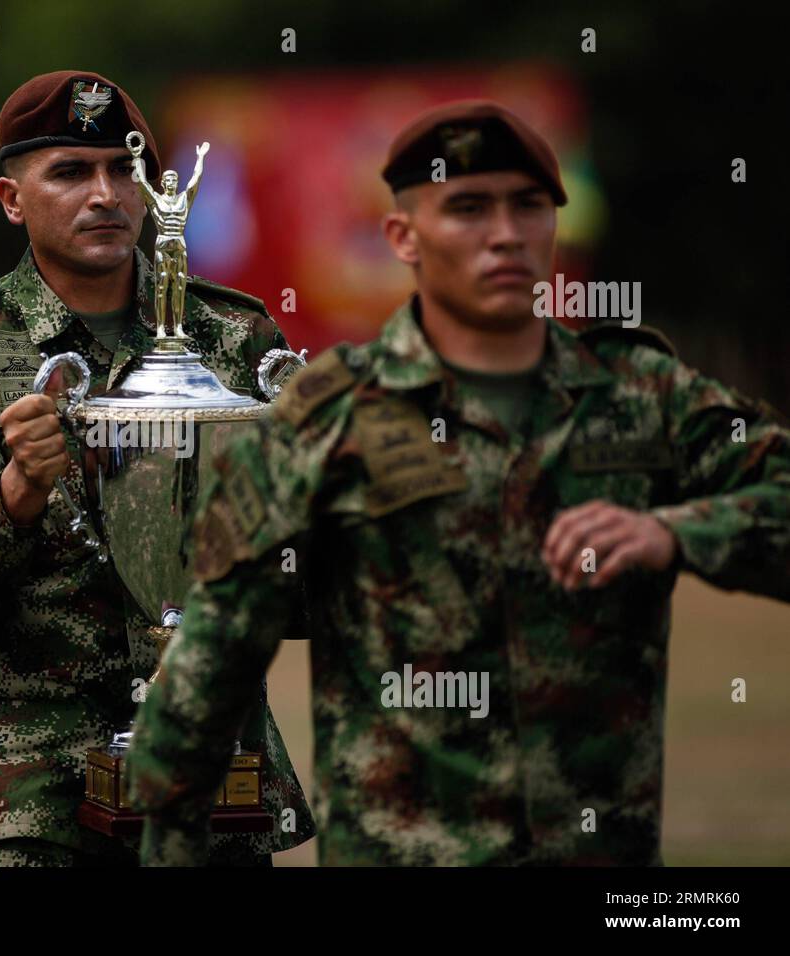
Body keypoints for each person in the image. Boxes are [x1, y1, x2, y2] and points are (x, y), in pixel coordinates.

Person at [126, 99, 790, 866]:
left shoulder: (643, 395)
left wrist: (678, 533)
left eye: (529, 206)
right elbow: (213, 657)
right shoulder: (328, 418)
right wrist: (170, 835)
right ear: (402, 237)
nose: (505, 234)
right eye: (469, 208)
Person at [0, 69, 314, 866]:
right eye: (71, 172)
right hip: (20, 795)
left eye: (126, 168)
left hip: (209, 780)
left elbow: (303, 585)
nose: (106, 193)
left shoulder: (236, 340)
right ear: (12, 199)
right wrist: (13, 496)